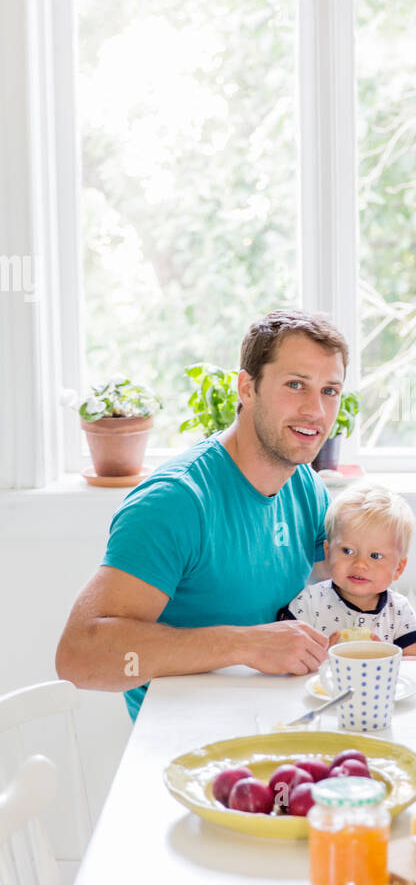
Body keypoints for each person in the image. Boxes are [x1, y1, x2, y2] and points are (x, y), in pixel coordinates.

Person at [55, 309, 349, 722]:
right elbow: (78, 658)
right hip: (180, 745)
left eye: (329, 390)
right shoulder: (176, 501)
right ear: (247, 388)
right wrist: (244, 644)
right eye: (295, 385)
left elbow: (343, 598)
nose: (316, 411)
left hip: (275, 724)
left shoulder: (306, 487)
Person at [282, 482, 416, 657]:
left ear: (398, 568)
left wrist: (386, 657)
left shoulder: (399, 611)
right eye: (347, 551)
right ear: (328, 553)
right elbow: (287, 656)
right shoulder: (308, 603)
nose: (360, 564)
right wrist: (320, 657)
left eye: (375, 556)